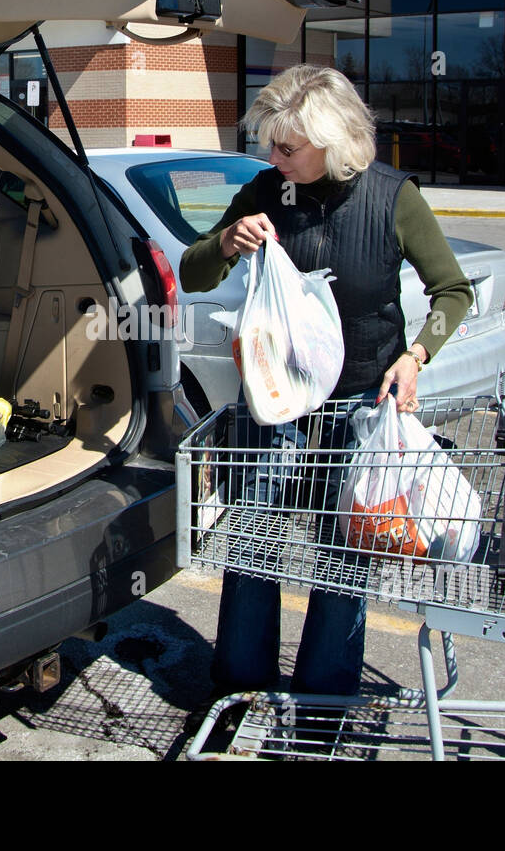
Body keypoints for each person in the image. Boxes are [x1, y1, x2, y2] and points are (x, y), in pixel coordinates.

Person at [179, 65, 472, 697]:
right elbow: (192, 272)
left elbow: (452, 291)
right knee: (253, 546)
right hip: (277, 406)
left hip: (363, 408)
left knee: (346, 558)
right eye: (270, 144)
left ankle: (324, 693)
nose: (272, 156)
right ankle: (240, 685)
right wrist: (227, 240)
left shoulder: (393, 198)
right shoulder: (263, 192)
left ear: (334, 142)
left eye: (288, 148)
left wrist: (416, 355)